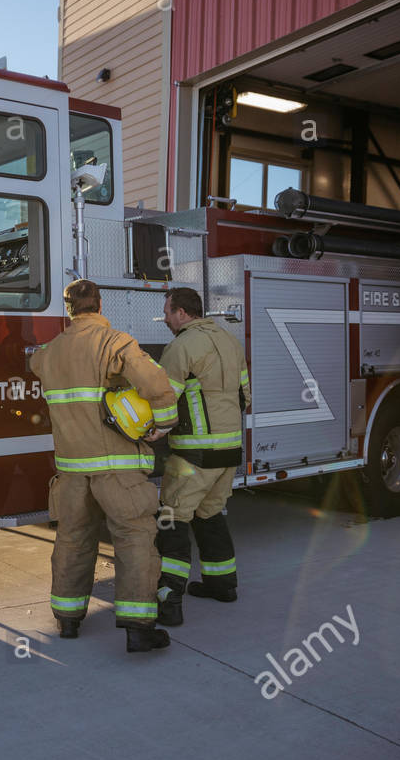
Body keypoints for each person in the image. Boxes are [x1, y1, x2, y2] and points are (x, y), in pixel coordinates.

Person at [29, 279, 182, 653]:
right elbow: (156, 383)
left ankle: (67, 620)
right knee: (134, 539)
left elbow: (35, 365)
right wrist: (163, 424)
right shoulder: (115, 342)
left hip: (71, 471)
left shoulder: (48, 353)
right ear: (99, 304)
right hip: (116, 469)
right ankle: (138, 628)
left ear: (68, 309)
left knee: (73, 540)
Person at [154, 287, 251, 627]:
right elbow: (245, 394)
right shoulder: (229, 340)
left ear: (182, 312)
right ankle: (223, 584)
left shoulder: (181, 347)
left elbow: (164, 400)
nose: (165, 319)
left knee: (171, 515)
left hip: (194, 452)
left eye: (167, 312)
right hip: (230, 449)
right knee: (210, 513)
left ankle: (169, 599)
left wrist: (152, 429)